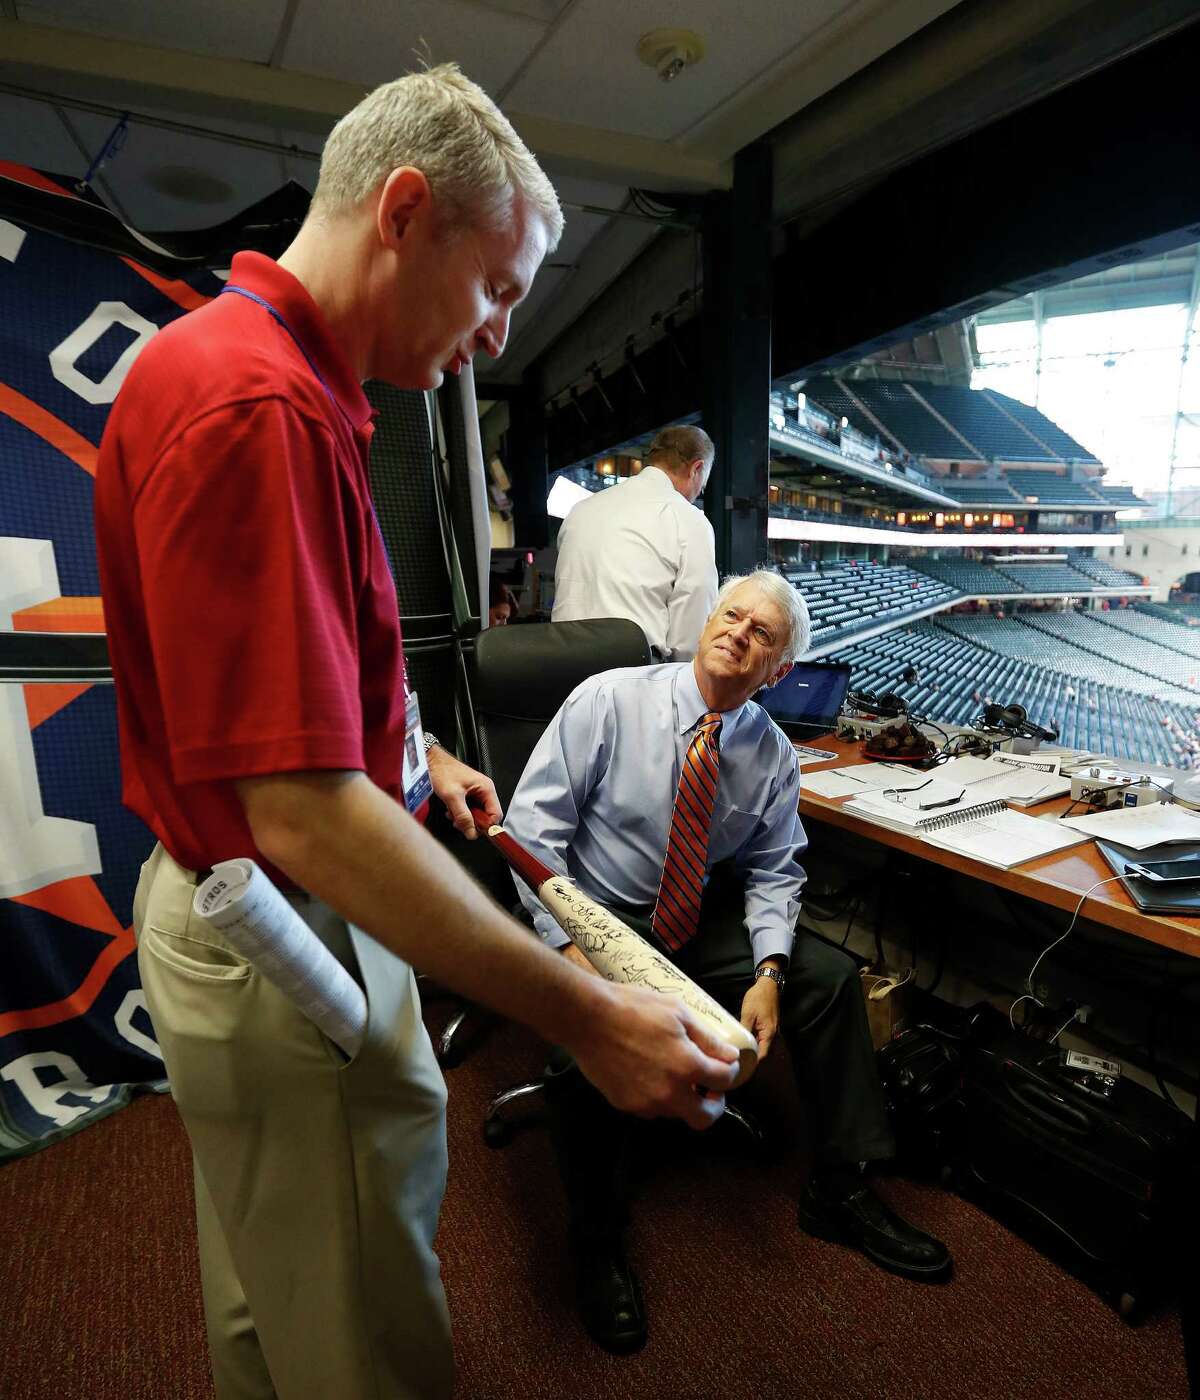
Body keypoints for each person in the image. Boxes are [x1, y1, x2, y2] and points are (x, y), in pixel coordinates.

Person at [94, 65, 740, 1400]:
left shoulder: (265, 374)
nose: (501, 334)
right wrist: (593, 1017)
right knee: (365, 1341)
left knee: (276, 1290)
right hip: (284, 927)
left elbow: (285, 698)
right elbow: (298, 811)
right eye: (498, 286)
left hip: (232, 909)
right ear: (401, 211)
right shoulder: (258, 407)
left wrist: (410, 753)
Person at [505, 570, 951, 1355]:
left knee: (829, 978)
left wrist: (771, 974)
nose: (741, 632)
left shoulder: (772, 753)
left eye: (764, 633)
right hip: (599, 911)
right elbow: (527, 833)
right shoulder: (609, 700)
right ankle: (596, 1242)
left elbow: (777, 871)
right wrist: (568, 943)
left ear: (779, 670)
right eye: (732, 614)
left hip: (691, 916)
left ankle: (839, 1184)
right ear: (706, 621)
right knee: (589, 1042)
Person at [551, 424, 718, 659]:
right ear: (696, 469)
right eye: (702, 487)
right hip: (633, 675)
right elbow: (691, 631)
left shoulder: (580, 510)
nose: (697, 493)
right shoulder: (688, 520)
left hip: (562, 665)